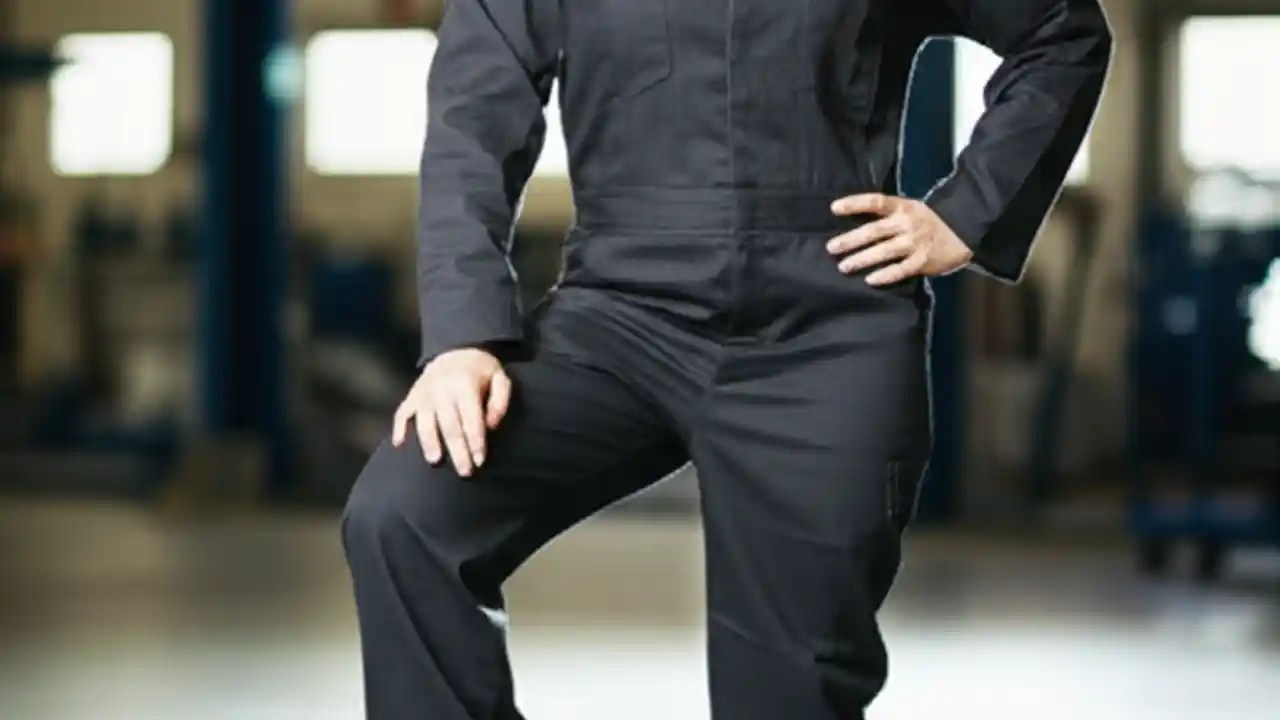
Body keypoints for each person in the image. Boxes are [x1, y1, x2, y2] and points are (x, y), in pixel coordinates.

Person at [340, 0, 1112, 717]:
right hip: (618, 317)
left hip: (826, 330)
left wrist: (967, 213)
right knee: (406, 515)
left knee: (792, 682)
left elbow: (1061, 30)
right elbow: (475, 110)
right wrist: (463, 337)